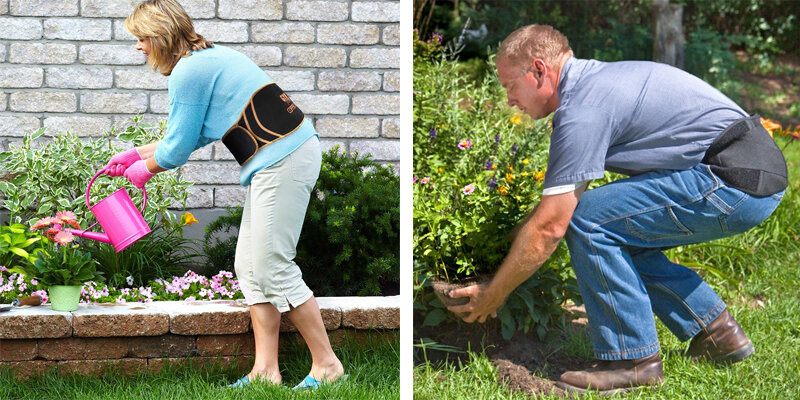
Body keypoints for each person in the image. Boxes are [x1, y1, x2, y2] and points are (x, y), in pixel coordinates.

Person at [446, 24, 787, 395]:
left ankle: (632, 361)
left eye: (510, 85)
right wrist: (508, 245)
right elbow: (555, 208)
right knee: (614, 226)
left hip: (733, 181)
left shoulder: (583, 110)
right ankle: (718, 335)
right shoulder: (595, 85)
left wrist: (495, 292)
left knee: (591, 222)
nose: (509, 98)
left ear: (539, 71)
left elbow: (553, 226)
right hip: (752, 175)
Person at [108, 0, 346, 390]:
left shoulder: (188, 71)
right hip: (279, 156)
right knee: (251, 268)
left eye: (142, 38)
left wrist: (142, 171)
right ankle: (265, 371)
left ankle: (327, 364)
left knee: (272, 266)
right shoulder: (206, 58)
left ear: (161, 34)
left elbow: (178, 148)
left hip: (283, 157)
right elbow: (197, 132)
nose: (139, 47)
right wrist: (135, 154)